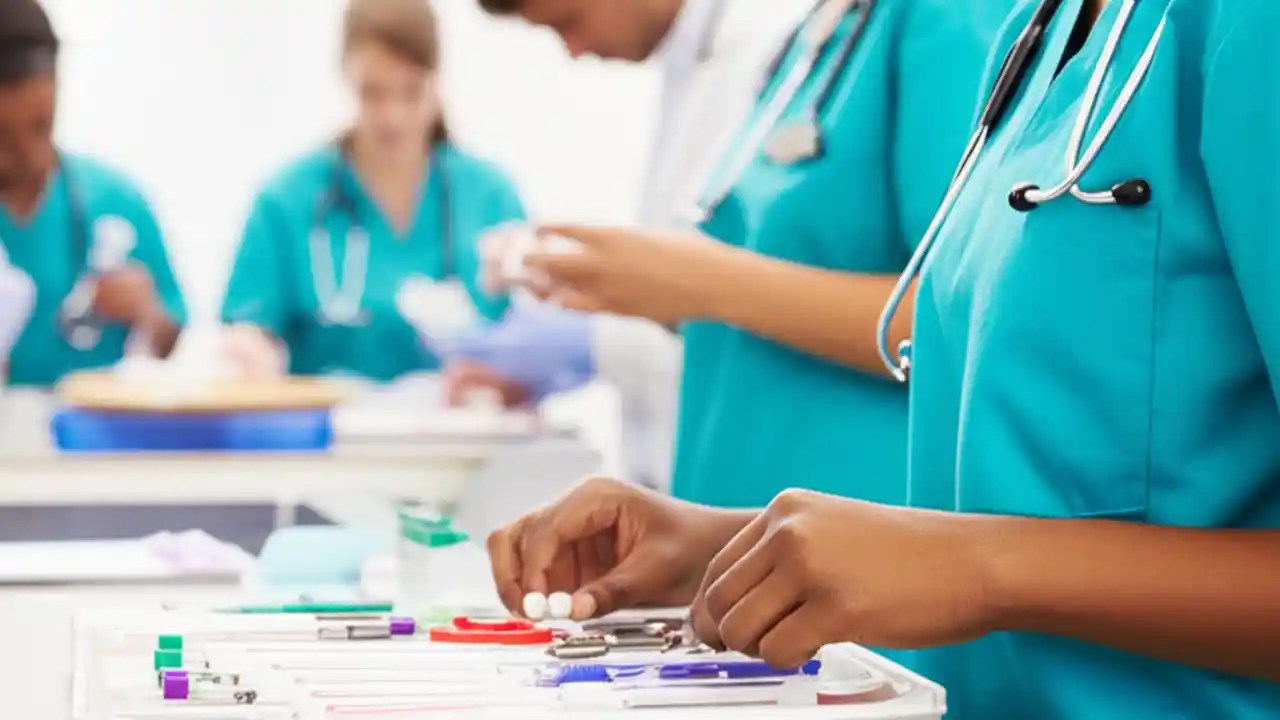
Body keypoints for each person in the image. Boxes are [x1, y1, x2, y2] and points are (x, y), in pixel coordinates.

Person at [487, 0, 1280, 717]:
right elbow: (1013, 484)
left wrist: (984, 569)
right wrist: (730, 547)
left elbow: (989, 558)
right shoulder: (1035, 38)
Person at [510, 0, 1011, 508]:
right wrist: (646, 287)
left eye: (565, 22)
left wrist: (699, 280)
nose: (571, 51)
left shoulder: (951, 19)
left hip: (859, 550)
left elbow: (964, 329)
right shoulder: (815, 37)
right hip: (740, 543)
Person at [453, 0, 814, 490]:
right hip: (679, 484)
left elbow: (747, 316)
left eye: (567, 22)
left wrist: (594, 342)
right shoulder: (692, 65)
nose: (574, 51)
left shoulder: (763, 48)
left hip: (755, 484)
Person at [221, 0, 524, 382]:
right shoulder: (286, 201)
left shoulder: (488, 197)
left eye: (411, 92)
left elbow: (530, 334)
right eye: (373, 93)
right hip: (327, 433)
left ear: (437, 81)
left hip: (467, 432)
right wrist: (247, 351)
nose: (392, 116)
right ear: (345, 75)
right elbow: (248, 326)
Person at [0, 0, 186, 388]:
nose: (28, 154)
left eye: (39, 127)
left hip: (92, 442)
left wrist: (146, 314)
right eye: (3, 136)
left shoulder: (117, 202)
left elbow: (172, 336)